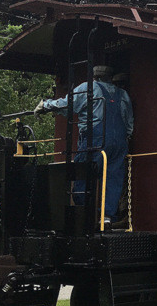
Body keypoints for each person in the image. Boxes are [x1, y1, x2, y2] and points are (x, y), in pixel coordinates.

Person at [36, 64, 134, 224]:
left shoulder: (89, 88)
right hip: (120, 141)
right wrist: (124, 137)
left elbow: (68, 104)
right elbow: (129, 122)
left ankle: (84, 214)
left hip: (96, 139)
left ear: (94, 76)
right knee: (113, 178)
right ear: (110, 78)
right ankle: (106, 217)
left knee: (83, 173)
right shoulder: (122, 94)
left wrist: (46, 105)